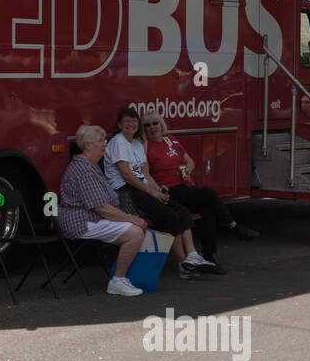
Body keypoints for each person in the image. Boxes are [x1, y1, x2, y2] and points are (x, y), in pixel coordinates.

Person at [104, 106, 218, 278]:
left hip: (142, 187)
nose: (131, 124)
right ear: (119, 124)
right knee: (169, 216)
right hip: (126, 191)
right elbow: (127, 175)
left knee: (181, 210)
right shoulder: (118, 142)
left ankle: (193, 256)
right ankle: (183, 264)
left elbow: (145, 174)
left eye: (134, 121)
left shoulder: (136, 143)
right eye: (126, 121)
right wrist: (152, 193)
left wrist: (158, 190)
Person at [141, 110, 258, 269]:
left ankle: (209, 257)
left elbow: (190, 162)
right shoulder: (145, 147)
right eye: (147, 125)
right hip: (170, 190)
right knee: (209, 193)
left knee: (207, 209)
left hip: (185, 186)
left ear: (161, 124)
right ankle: (234, 227)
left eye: (155, 123)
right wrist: (156, 191)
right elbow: (145, 174)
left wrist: (187, 170)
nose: (152, 127)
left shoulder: (171, 140)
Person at [59, 124, 147, 296]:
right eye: (101, 141)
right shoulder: (84, 170)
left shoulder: (90, 166)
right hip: (82, 222)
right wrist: (131, 219)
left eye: (105, 140)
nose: (105, 144)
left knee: (136, 227)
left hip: (91, 217)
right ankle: (118, 280)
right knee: (135, 233)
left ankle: (125, 277)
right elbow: (102, 208)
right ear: (88, 145)